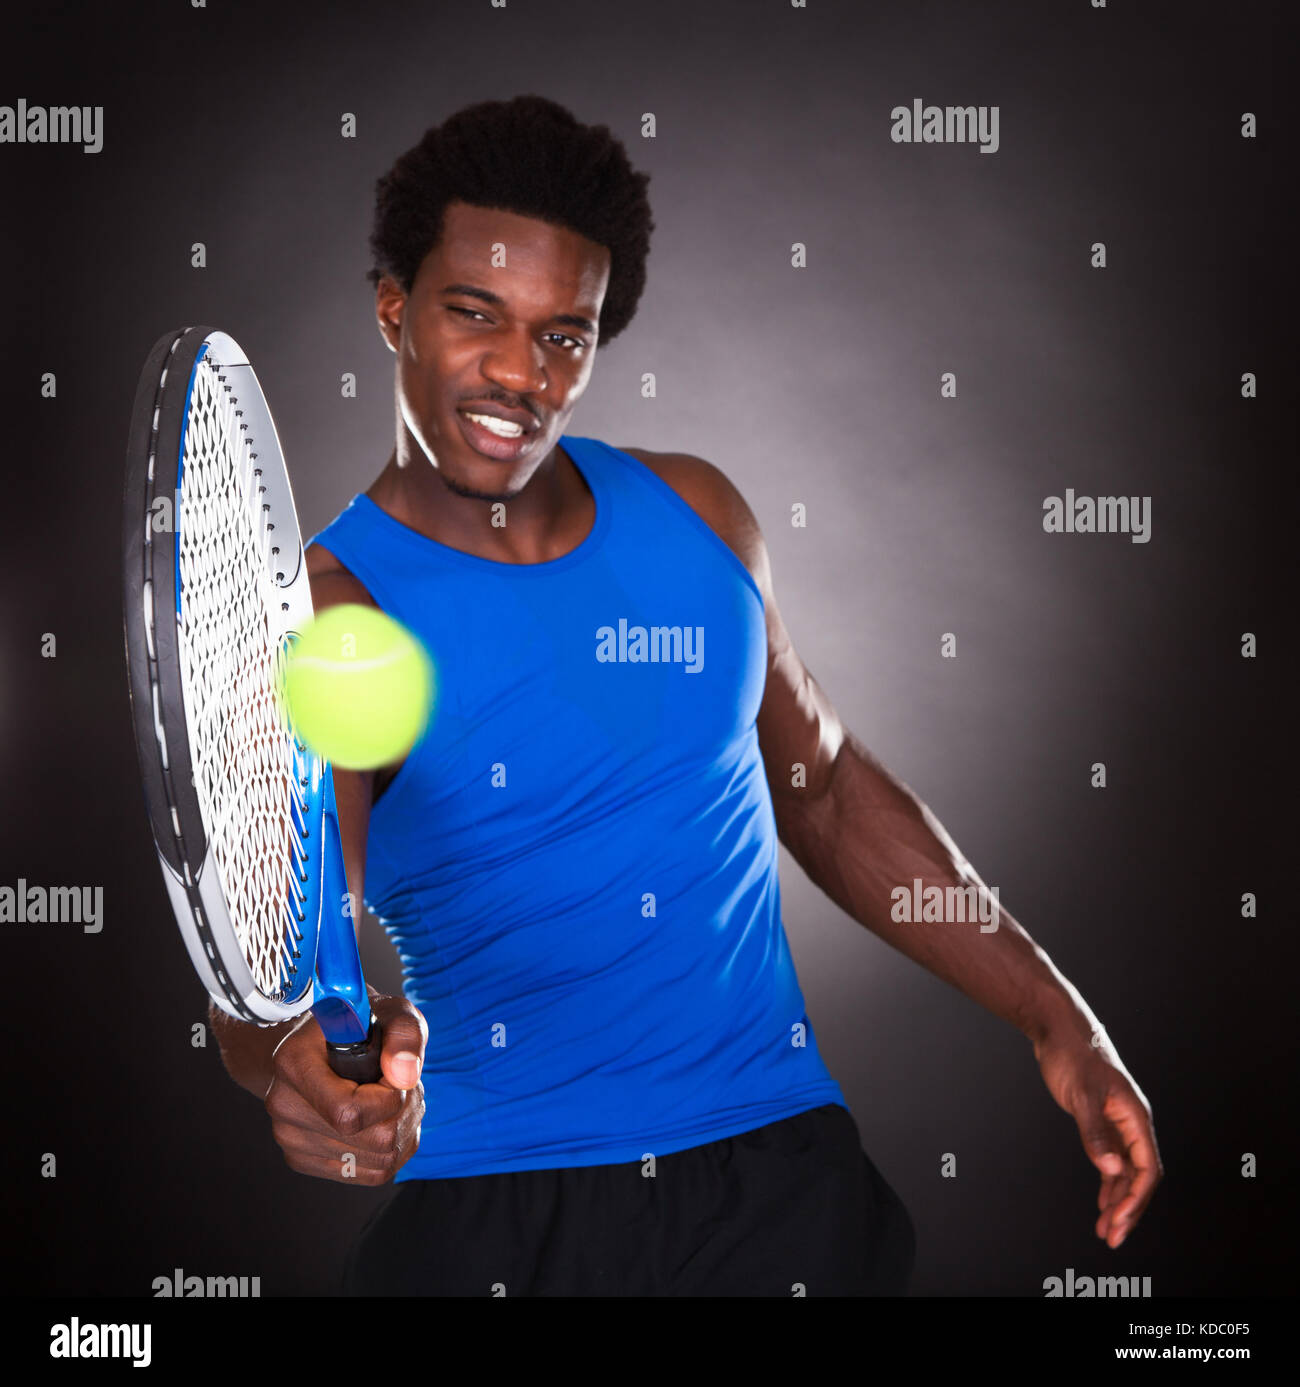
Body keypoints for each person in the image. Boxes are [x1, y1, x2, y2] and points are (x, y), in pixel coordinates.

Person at [210, 94, 1162, 1297]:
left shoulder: (700, 517)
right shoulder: (334, 618)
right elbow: (268, 966)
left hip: (781, 1184)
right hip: (507, 1214)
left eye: (565, 333)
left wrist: (1056, 1020)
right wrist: (293, 1061)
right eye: (473, 314)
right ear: (393, 305)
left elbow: (819, 789)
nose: (519, 373)